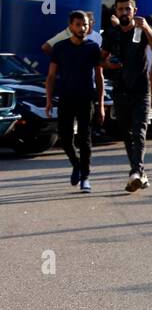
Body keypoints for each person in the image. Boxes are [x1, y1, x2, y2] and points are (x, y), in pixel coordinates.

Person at [101, 0, 152, 193]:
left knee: (139, 133)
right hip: (120, 90)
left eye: (128, 9)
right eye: (120, 9)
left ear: (134, 11)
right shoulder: (111, 34)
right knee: (127, 135)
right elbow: (100, 60)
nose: (124, 12)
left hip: (141, 91)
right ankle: (139, 174)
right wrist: (107, 63)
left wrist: (146, 28)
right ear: (116, 12)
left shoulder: (143, 31)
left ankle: (135, 172)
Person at [44, 11, 104, 193]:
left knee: (85, 139)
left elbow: (99, 76)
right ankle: (76, 164)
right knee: (65, 137)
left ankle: (85, 177)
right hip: (66, 98)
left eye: (84, 24)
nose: (82, 28)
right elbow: (51, 75)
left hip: (86, 98)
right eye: (78, 25)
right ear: (70, 26)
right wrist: (48, 100)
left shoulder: (93, 48)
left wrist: (100, 104)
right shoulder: (60, 48)